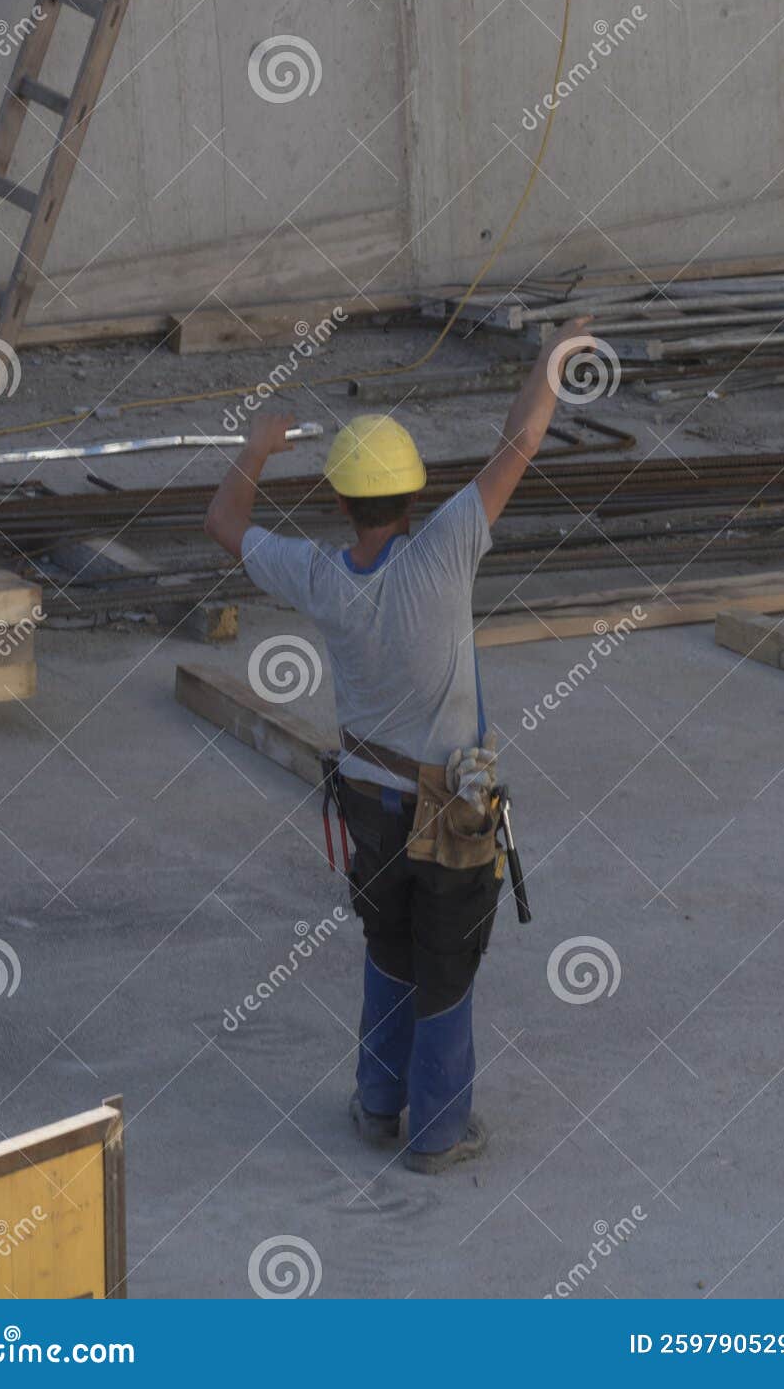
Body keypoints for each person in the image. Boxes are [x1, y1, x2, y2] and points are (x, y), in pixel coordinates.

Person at [205, 318, 594, 1173]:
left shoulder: (316, 576)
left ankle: (380, 1104)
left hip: (369, 806)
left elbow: (225, 521)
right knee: (446, 970)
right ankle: (437, 1133)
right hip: (449, 813)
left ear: (341, 502)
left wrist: (258, 447)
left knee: (388, 950)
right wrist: (551, 355)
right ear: (417, 496)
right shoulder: (450, 548)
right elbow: (523, 437)